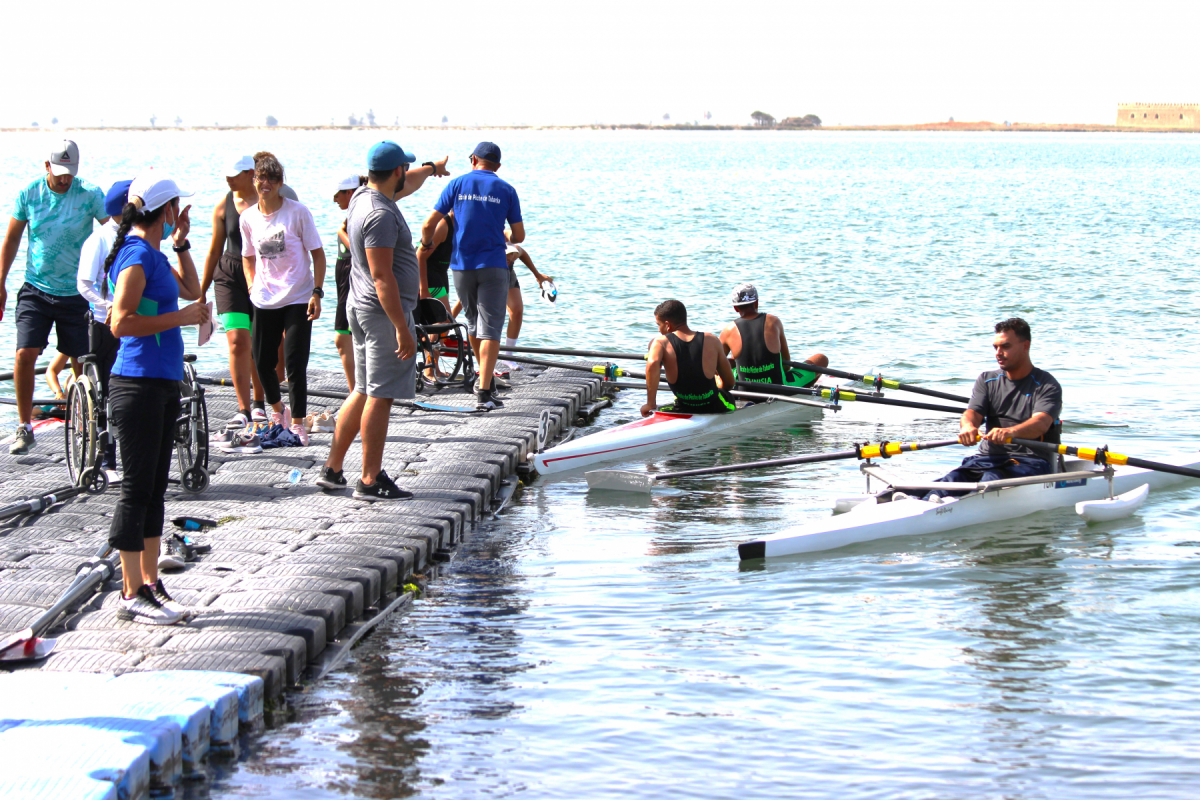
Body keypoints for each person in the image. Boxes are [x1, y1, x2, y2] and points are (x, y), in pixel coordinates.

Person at [104, 169, 209, 625]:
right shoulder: (134, 255)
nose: (177, 215)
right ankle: (130, 592)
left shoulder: (155, 252)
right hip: (137, 382)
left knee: (155, 491)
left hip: (162, 383)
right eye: (175, 210)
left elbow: (192, 290)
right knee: (135, 490)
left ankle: (151, 583)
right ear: (162, 210)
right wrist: (183, 319)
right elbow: (121, 322)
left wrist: (182, 241)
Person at [314, 141, 422, 501]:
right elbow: (382, 277)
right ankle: (370, 479)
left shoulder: (361, 196)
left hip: (358, 309)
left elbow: (409, 184)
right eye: (404, 168)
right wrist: (402, 328)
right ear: (395, 172)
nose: (407, 172)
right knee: (380, 395)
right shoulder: (379, 214)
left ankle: (332, 469)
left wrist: (432, 170)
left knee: (361, 389)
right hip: (380, 314)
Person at [0, 140, 107, 454]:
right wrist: (1, 281)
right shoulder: (29, 194)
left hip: (77, 292)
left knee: (82, 364)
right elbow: (12, 238)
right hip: (36, 289)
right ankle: (24, 426)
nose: (64, 179)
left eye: (69, 173)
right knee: (24, 354)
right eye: (59, 172)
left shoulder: (90, 195)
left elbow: (112, 232)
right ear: (46, 166)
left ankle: (88, 425)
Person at [420, 142, 524, 410]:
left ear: (474, 160)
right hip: (493, 266)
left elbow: (428, 224)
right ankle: (485, 390)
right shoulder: (507, 190)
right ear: (497, 166)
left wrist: (427, 242)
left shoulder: (456, 184)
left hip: (460, 268)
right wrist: (508, 235)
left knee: (474, 324)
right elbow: (519, 236)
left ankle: (482, 377)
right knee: (490, 329)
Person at [239, 153, 326, 446]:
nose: (266, 184)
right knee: (262, 361)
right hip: (264, 299)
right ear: (254, 180)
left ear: (280, 183)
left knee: (294, 362)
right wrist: (252, 286)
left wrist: (317, 291)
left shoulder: (297, 212)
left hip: (298, 296)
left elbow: (318, 254)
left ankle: (299, 424)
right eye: (261, 178)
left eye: (272, 179)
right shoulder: (247, 218)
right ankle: (279, 413)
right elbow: (247, 257)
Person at [925, 318, 1063, 501]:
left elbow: (1041, 423)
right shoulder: (986, 380)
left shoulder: (1047, 385)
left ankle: (953, 507)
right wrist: (967, 427)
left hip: (1030, 461)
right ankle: (922, 501)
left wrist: (1010, 432)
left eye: (1005, 346)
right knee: (953, 479)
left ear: (1025, 346)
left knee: (990, 480)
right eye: (995, 347)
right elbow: (972, 413)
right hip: (986, 459)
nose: (998, 353)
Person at [199, 156, 271, 429]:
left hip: (262, 275)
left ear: (251, 173)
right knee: (238, 341)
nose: (229, 179)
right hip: (228, 276)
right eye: (226, 174)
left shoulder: (268, 202)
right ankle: (243, 407)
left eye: (235, 174)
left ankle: (259, 403)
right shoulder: (223, 205)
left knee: (258, 344)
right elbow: (213, 251)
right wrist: (201, 290)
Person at [76, 179, 133, 480]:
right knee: (107, 395)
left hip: (135, 321)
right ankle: (108, 460)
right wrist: (106, 304)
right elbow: (83, 283)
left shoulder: (139, 236)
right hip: (105, 322)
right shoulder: (98, 239)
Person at [719, 283, 827, 390]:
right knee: (822, 359)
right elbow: (786, 364)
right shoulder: (773, 322)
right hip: (777, 388)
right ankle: (802, 391)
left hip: (745, 390)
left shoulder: (728, 330)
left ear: (735, 308)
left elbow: (715, 367)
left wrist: (734, 363)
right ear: (756, 303)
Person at [641, 299, 736, 417]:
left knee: (666, 407)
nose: (659, 329)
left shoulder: (660, 343)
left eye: (659, 325)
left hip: (684, 406)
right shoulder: (712, 340)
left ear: (667, 325)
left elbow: (652, 364)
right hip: (715, 406)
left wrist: (650, 404)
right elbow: (730, 383)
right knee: (727, 395)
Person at [332, 175, 367, 390]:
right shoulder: (353, 213)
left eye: (337, 194)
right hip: (345, 278)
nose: (334, 199)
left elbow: (358, 249)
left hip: (351, 276)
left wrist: (340, 232)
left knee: (343, 337)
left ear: (349, 193)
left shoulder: (357, 215)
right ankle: (356, 389)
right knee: (349, 337)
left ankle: (357, 390)